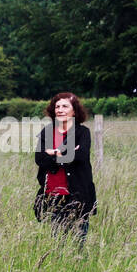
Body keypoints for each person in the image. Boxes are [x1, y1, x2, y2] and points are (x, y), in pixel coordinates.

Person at [34, 92, 97, 244]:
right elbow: (40, 159)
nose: (60, 110)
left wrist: (53, 153)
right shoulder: (47, 132)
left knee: (78, 241)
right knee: (58, 242)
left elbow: (80, 155)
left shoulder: (83, 132)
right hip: (53, 194)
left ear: (74, 111)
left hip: (77, 194)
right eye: (57, 106)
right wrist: (66, 152)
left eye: (65, 106)